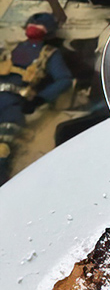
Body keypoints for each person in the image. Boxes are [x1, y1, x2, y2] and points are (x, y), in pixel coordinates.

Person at [0, 11, 72, 184]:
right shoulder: (13, 47)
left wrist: (39, 99)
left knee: (3, 146)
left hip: (16, 103)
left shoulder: (48, 54)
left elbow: (64, 80)